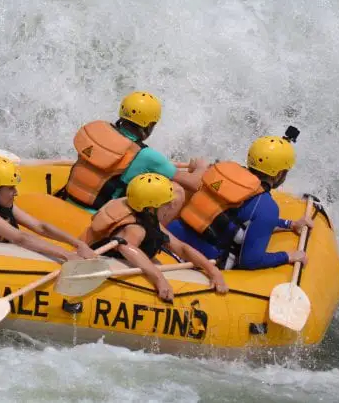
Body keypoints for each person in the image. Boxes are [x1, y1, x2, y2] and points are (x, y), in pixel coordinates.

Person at [166, 130, 314, 270]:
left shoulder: (221, 172)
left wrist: (289, 224)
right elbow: (250, 261)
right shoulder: (266, 206)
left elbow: (231, 217)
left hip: (169, 236)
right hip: (198, 257)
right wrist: (288, 256)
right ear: (279, 174)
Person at [57, 91, 205, 217]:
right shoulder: (147, 156)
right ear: (149, 125)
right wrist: (200, 167)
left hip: (67, 199)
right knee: (176, 191)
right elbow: (194, 184)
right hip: (97, 215)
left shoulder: (98, 130)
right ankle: (152, 238)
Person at [82, 173, 228, 301]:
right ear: (151, 207)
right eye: (167, 204)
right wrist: (159, 278)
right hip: (96, 263)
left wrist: (212, 270)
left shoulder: (145, 216)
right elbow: (125, 246)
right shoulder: (135, 228)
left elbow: (182, 249)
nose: (171, 207)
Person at [0, 156, 98, 262]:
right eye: (10, 188)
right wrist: (67, 255)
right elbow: (20, 238)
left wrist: (78, 244)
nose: (16, 192)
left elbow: (40, 226)